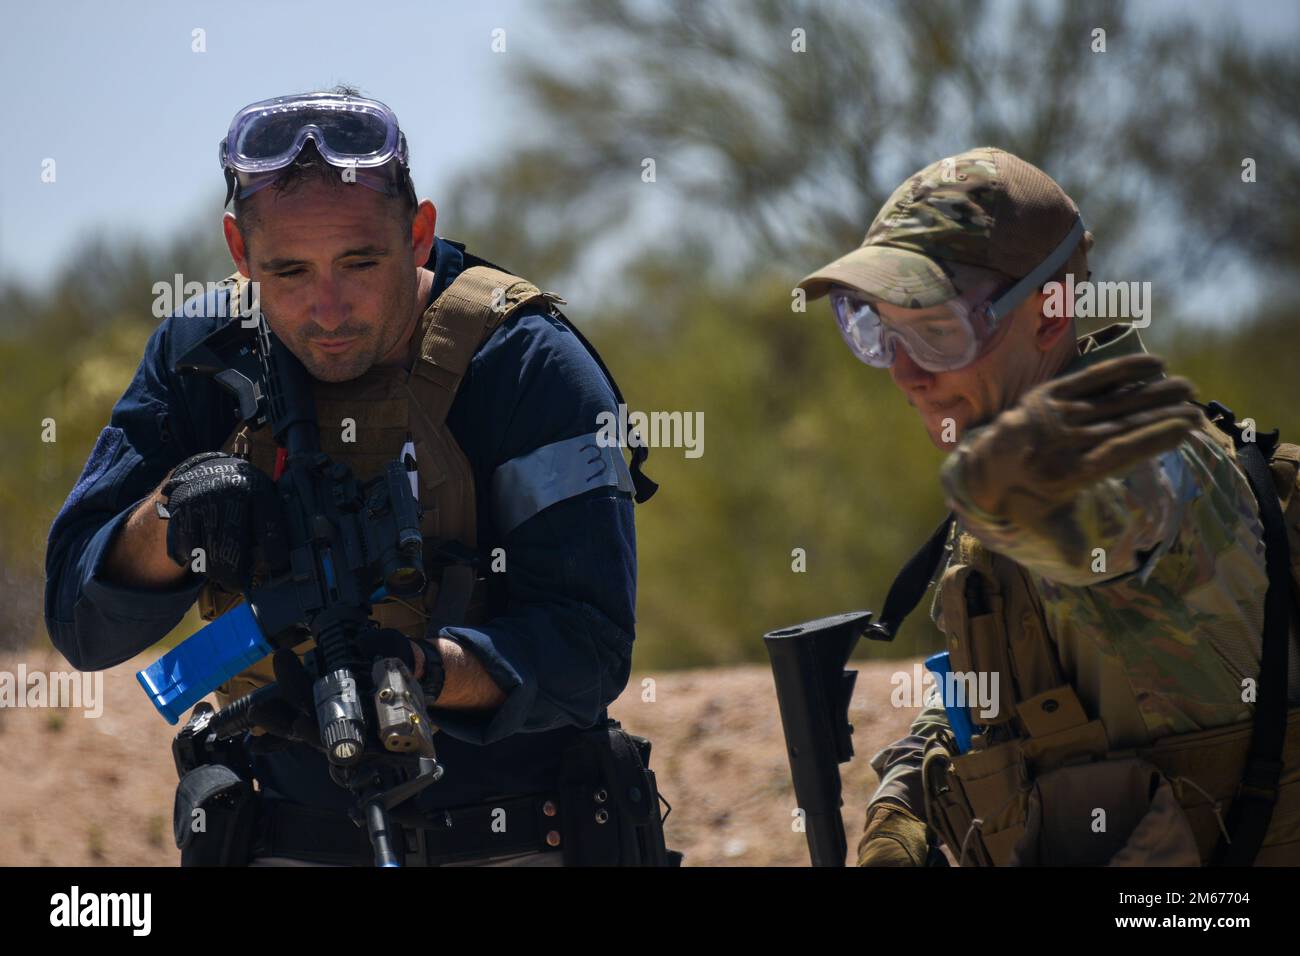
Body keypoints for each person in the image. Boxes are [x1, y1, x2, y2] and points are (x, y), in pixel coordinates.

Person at [44, 87, 673, 867]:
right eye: (289, 271)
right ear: (240, 253)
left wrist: (423, 673)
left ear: (418, 232)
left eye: (360, 262)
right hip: (279, 830)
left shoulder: (525, 364)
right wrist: (173, 524)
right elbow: (79, 623)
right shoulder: (203, 358)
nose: (328, 308)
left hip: (514, 833)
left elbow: (588, 650)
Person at [796, 146, 1300, 866]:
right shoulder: (998, 478)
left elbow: (1118, 516)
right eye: (874, 329)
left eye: (936, 330)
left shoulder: (1147, 454)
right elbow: (988, 698)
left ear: (1049, 312)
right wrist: (903, 806)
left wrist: (1017, 497)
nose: (905, 372)